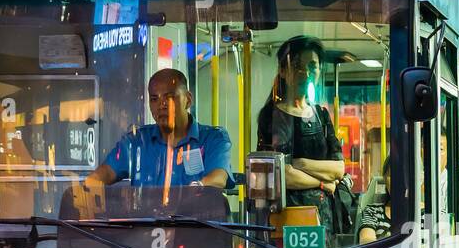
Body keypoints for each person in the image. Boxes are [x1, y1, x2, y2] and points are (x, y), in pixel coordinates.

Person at [87, 68, 231, 190]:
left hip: (194, 222)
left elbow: (219, 177)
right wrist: (86, 188)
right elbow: (105, 172)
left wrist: (197, 188)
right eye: (154, 99)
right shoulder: (137, 141)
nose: (161, 105)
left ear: (188, 100)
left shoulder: (213, 139)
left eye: (169, 97)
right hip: (147, 222)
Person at [256, 36, 345, 232]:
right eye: (297, 66)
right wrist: (323, 182)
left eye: (313, 66)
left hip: (323, 217)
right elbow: (281, 175)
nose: (306, 73)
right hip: (286, 217)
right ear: (282, 70)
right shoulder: (272, 116)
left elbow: (338, 168)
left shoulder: (321, 115)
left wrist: (301, 164)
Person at [357, 158, 392, 245]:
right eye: (392, 175)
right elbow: (366, 242)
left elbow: (430, 243)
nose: (400, 181)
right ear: (384, 178)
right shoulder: (372, 211)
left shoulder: (427, 213)